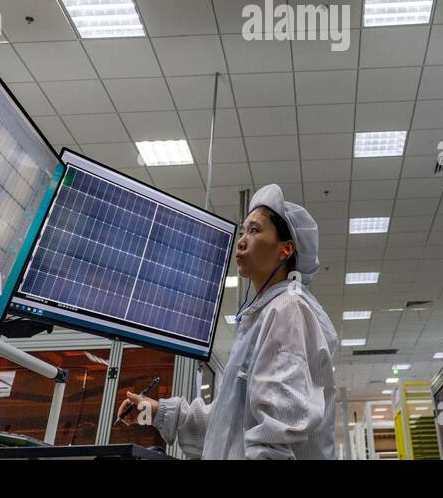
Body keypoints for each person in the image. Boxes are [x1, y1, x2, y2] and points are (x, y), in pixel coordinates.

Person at [118, 184, 339, 459]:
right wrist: (150, 412)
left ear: (286, 249)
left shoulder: (288, 310)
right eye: (243, 231)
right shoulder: (265, 314)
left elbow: (277, 436)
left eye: (255, 230)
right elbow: (222, 428)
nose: (242, 240)